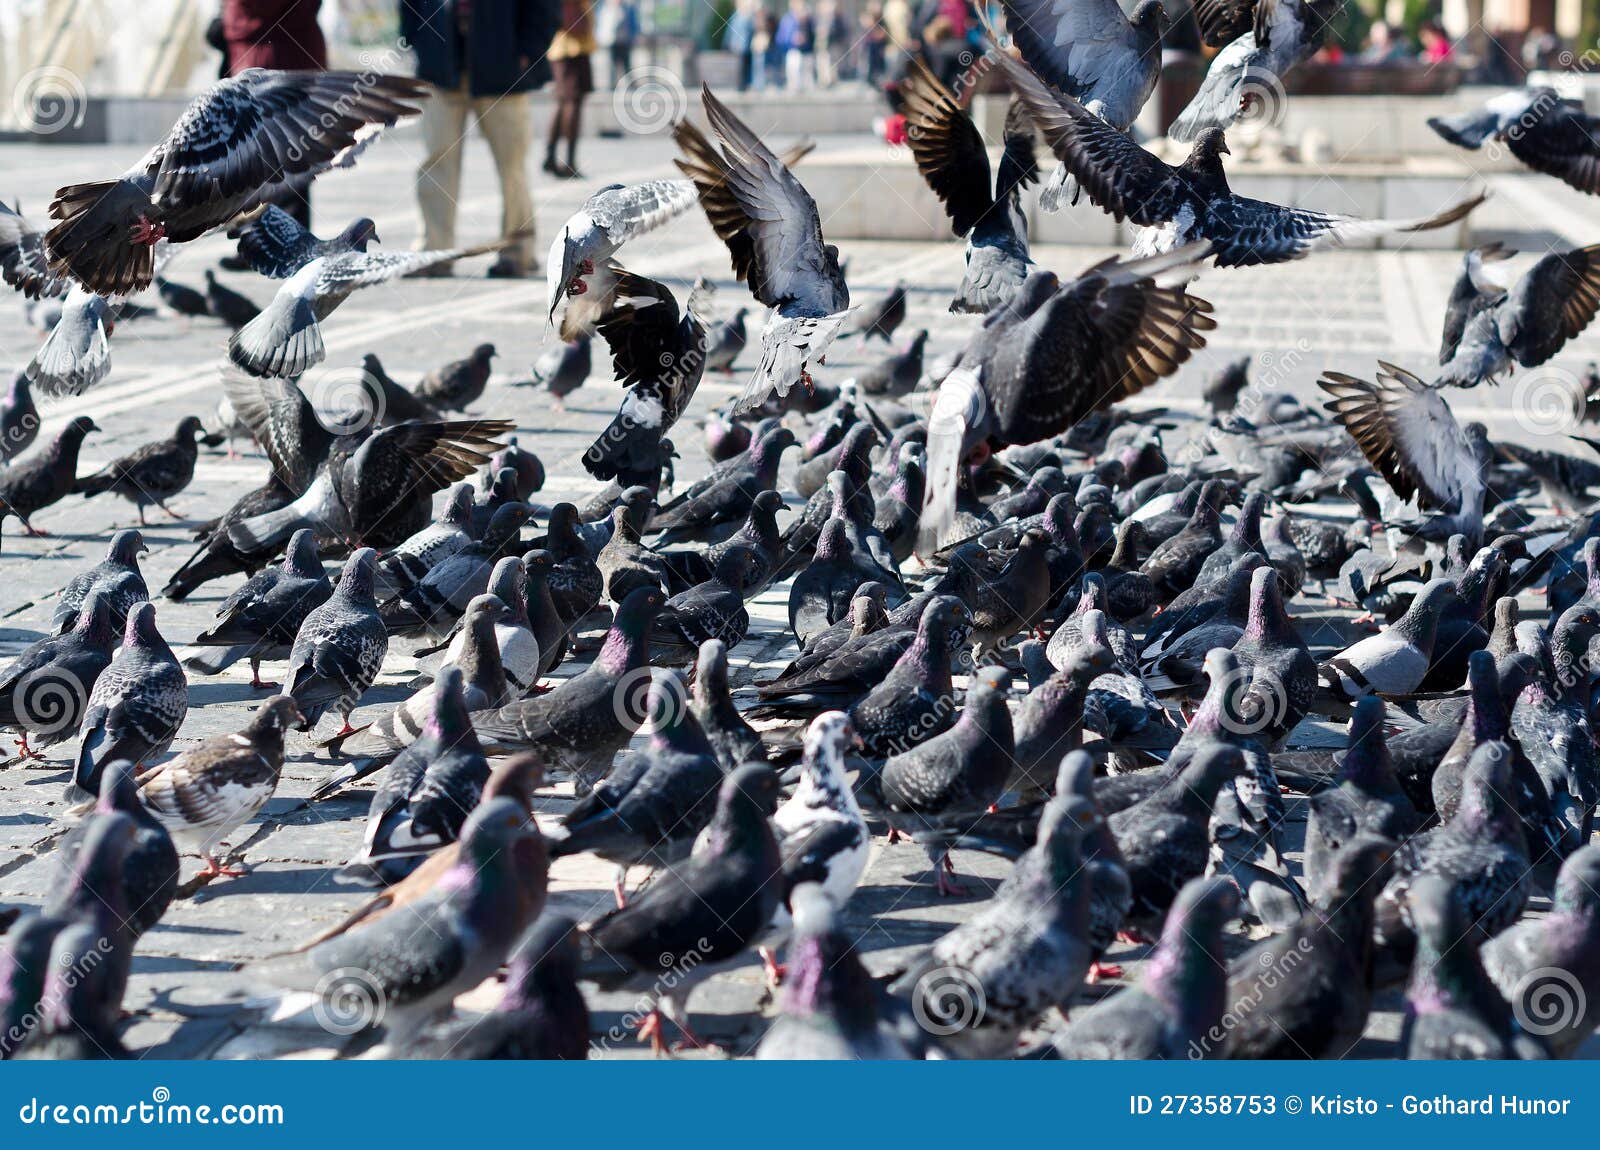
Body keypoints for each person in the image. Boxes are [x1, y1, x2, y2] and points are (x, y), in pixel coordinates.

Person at [402, 0, 556, 279]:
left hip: (503, 66)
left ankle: (517, 252)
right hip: (440, 62)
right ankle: (433, 251)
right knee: (437, 160)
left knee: (513, 166)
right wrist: (415, 38)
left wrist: (528, 51)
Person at [222, 0, 326, 228]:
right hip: (277, 57)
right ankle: (259, 239)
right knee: (267, 160)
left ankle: (282, 245)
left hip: (277, 61)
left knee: (282, 160)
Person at [546, 1, 598, 179]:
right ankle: (568, 161)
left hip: (570, 47)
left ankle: (551, 157)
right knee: (572, 103)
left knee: (563, 103)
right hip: (572, 47)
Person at [595, 0, 639, 89]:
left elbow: (633, 24)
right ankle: (612, 85)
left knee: (627, 64)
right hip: (611, 41)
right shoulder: (604, 8)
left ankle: (631, 84)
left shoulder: (627, 7)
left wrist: (634, 36)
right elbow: (600, 24)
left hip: (624, 41)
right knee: (612, 65)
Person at [776, 0, 815, 90]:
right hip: (793, 50)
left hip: (807, 51)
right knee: (793, 72)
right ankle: (794, 90)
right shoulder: (787, 19)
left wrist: (806, 39)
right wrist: (792, 40)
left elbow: (812, 34)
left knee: (807, 74)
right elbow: (781, 37)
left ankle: (808, 92)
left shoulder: (808, 18)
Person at [724, 0, 757, 90]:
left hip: (747, 47)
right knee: (740, 67)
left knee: (746, 67)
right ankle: (740, 86)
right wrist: (726, 43)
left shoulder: (750, 18)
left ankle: (746, 85)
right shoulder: (735, 17)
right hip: (738, 47)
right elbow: (729, 31)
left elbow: (752, 31)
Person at [814, 0, 848, 87]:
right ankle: (824, 81)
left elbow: (841, 32)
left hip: (833, 44)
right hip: (822, 45)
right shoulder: (819, 18)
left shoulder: (837, 19)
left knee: (833, 63)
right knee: (823, 61)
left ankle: (832, 80)